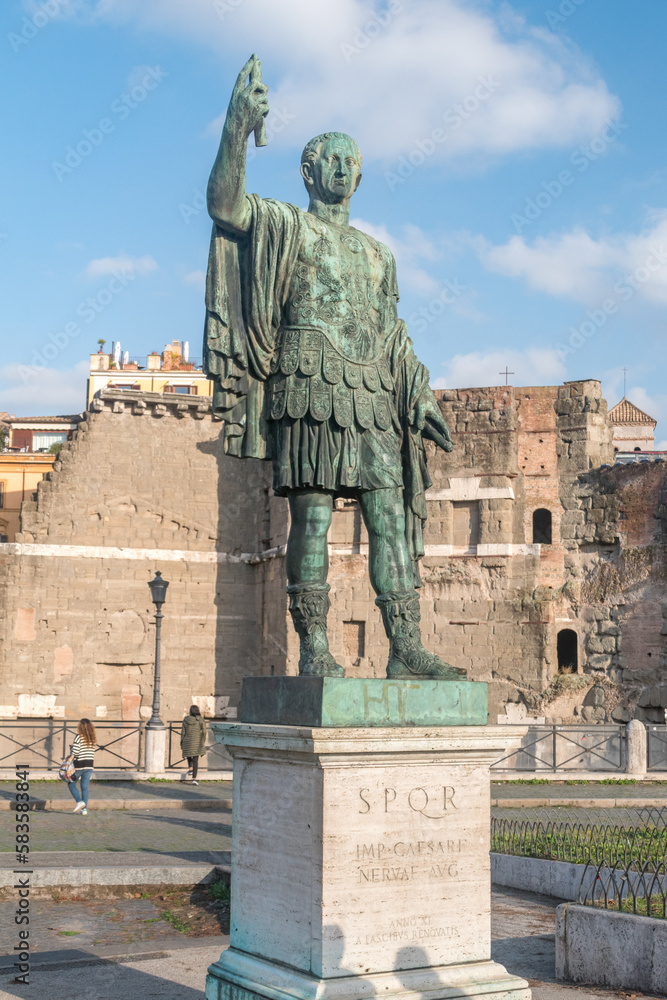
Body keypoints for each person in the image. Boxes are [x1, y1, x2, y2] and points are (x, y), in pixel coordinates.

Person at [203, 55, 466, 680]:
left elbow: (391, 330)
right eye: (333, 158)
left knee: (390, 518)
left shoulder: (380, 253)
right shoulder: (285, 224)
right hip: (308, 384)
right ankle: (315, 649)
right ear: (308, 170)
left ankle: (406, 649)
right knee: (312, 518)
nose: (345, 168)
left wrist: (419, 391)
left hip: (373, 390)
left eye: (354, 161)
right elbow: (223, 204)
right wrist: (236, 127)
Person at [67, 718, 96, 815]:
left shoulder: (78, 737)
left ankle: (79, 802)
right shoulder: (92, 738)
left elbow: (76, 751)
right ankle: (84, 810)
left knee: (71, 784)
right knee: (84, 787)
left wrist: (71, 753)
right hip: (89, 765)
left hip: (80, 764)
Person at [180, 705, 207, 784]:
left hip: (187, 740)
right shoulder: (201, 720)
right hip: (197, 741)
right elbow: (204, 732)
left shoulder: (186, 719)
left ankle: (190, 769)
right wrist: (202, 740)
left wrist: (181, 742)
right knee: (195, 759)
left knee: (189, 754)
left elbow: (183, 732)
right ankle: (194, 779)